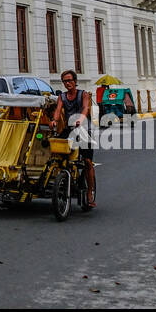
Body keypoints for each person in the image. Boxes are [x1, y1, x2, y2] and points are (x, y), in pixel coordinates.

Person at [52, 69, 96, 208]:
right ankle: (62, 179)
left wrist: (81, 119)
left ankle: (89, 192)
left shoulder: (83, 94)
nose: (67, 83)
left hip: (84, 129)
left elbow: (85, 108)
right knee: (56, 150)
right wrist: (54, 120)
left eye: (70, 80)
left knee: (87, 162)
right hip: (70, 129)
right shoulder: (62, 97)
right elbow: (58, 111)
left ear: (75, 81)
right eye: (65, 81)